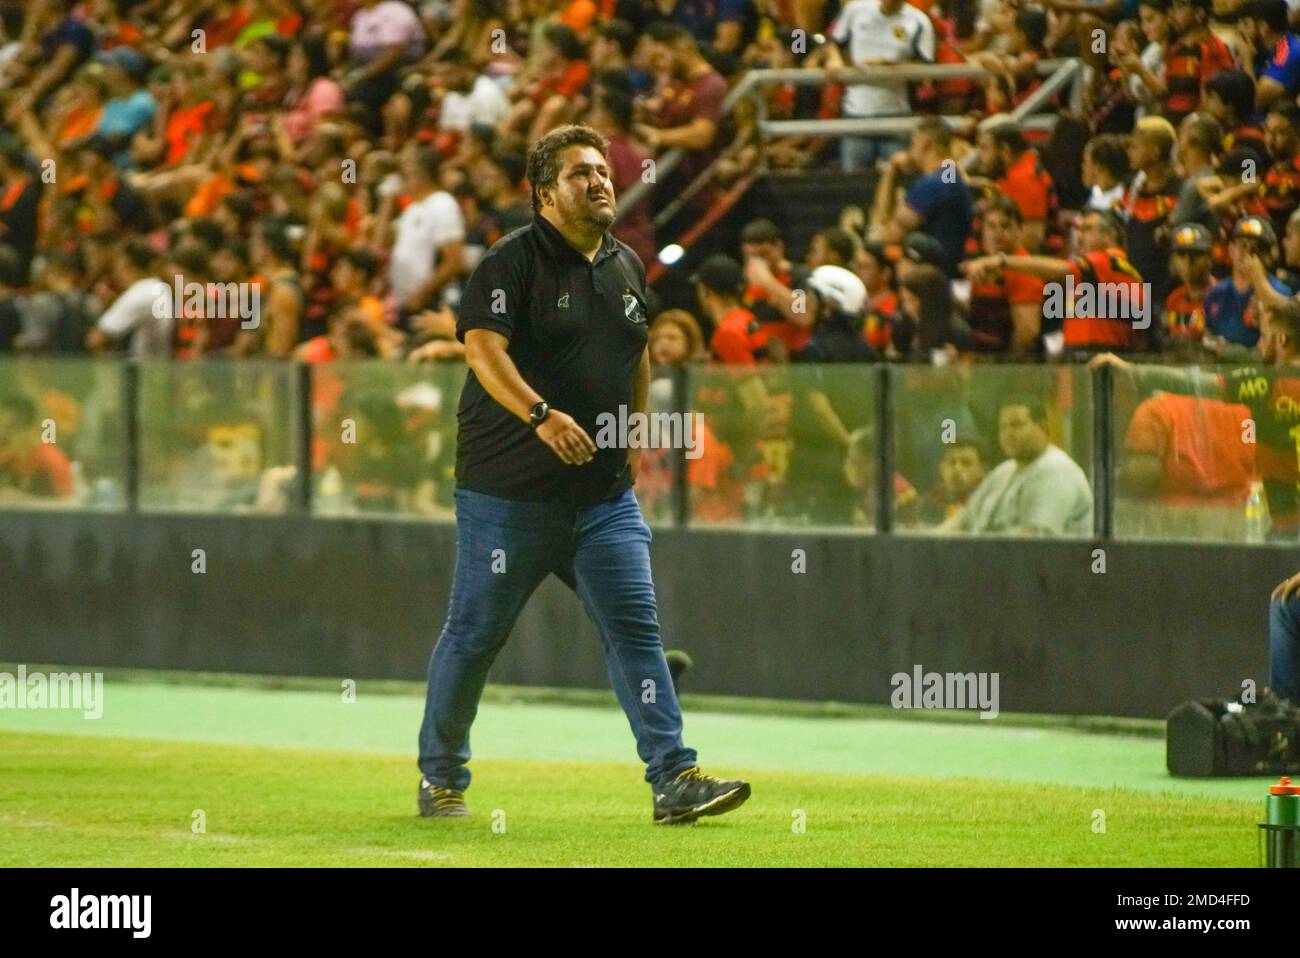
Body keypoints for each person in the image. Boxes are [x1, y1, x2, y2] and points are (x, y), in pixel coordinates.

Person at [416, 124, 750, 825]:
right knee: (475, 635)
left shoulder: (627, 264)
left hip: (602, 498)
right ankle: (441, 778)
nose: (600, 181)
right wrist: (541, 414)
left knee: (638, 632)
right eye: (580, 173)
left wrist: (632, 431)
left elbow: (637, 355)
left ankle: (674, 778)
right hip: (508, 495)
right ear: (544, 193)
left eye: (602, 170)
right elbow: (479, 348)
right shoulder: (511, 262)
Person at [1092, 296, 1300, 538]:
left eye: (1264, 337)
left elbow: (1194, 384)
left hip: (1289, 528)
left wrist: (1133, 371)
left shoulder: (1264, 385)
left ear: (1282, 340)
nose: (1260, 346)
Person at [939, 394, 1094, 536]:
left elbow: (1031, 540)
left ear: (1043, 427)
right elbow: (963, 522)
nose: (1008, 433)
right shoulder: (1003, 471)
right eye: (1003, 427)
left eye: (1017, 425)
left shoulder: (1058, 472)